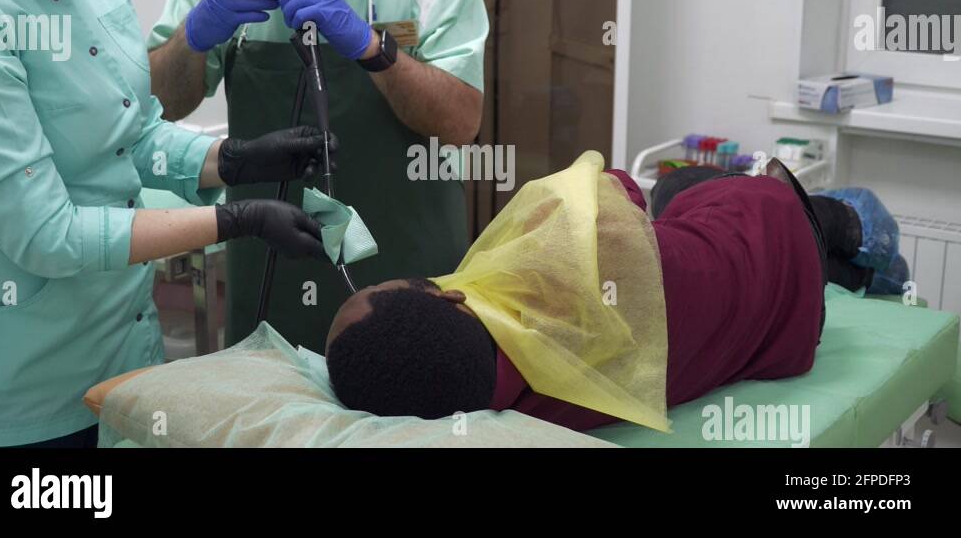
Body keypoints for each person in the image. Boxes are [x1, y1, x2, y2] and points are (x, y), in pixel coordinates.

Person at [0, 0, 333, 447]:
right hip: (25, 392)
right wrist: (236, 220)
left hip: (128, 360)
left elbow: (128, 134)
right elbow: (45, 234)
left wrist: (231, 159)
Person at [324, 153, 909, 431]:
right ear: (449, 299)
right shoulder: (541, 279)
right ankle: (866, 245)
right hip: (770, 230)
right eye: (386, 284)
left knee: (680, 192)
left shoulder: (524, 412)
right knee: (682, 187)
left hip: (782, 336)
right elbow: (617, 187)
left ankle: (851, 276)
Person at [147, 0, 490, 354]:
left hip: (406, 263)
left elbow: (459, 123)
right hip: (271, 268)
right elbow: (158, 105)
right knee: (267, 412)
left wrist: (374, 50)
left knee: (410, 394)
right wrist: (194, 37)